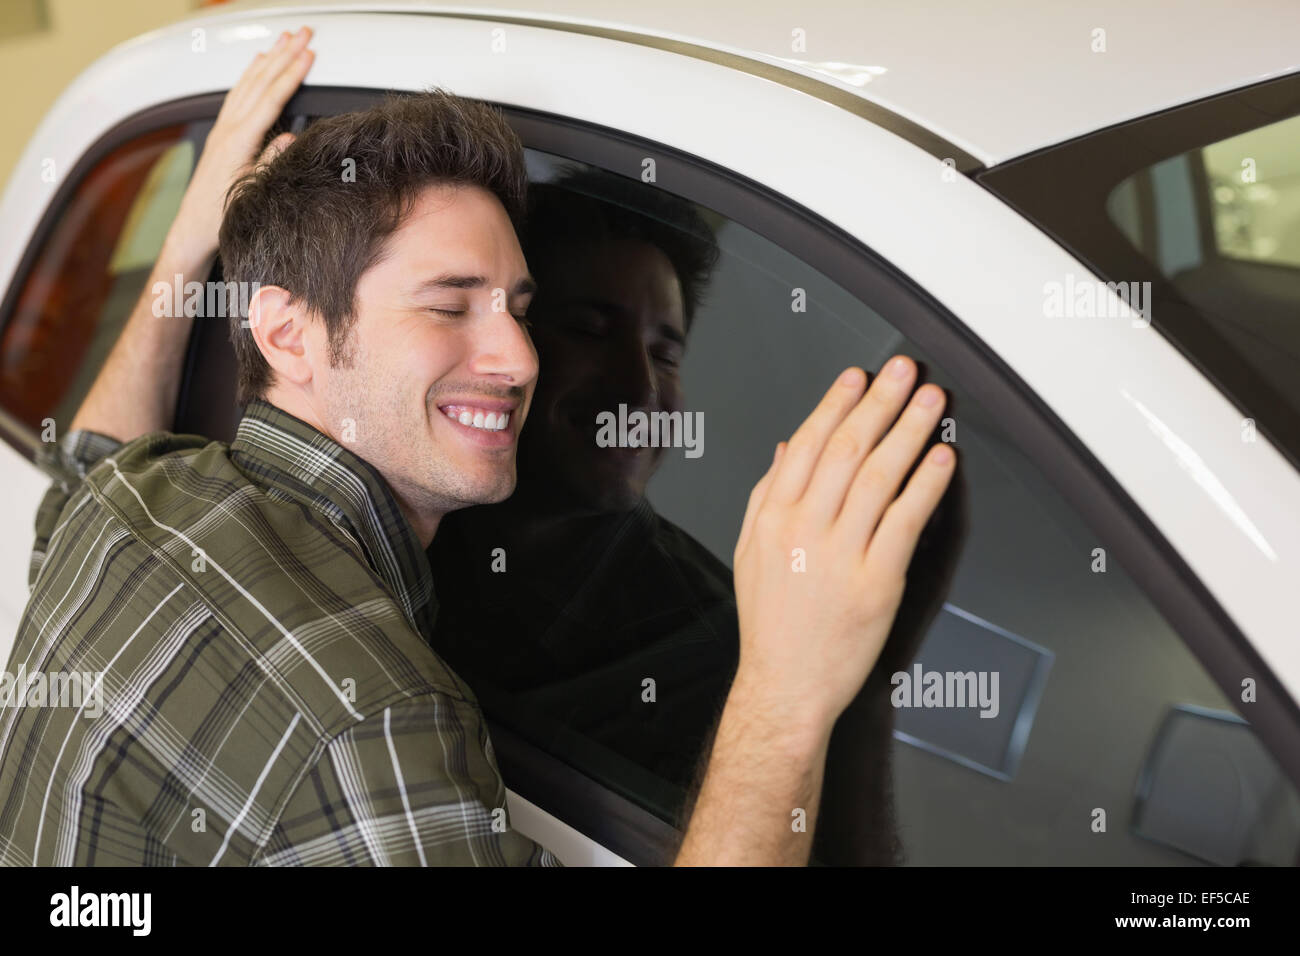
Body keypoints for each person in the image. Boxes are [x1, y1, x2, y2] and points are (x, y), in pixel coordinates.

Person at [0, 27, 957, 866]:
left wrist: (185, 252)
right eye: (450, 305)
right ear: (286, 334)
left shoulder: (136, 497)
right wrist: (787, 700)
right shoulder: (377, 723)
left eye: (523, 312)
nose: (514, 357)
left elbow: (87, 463)